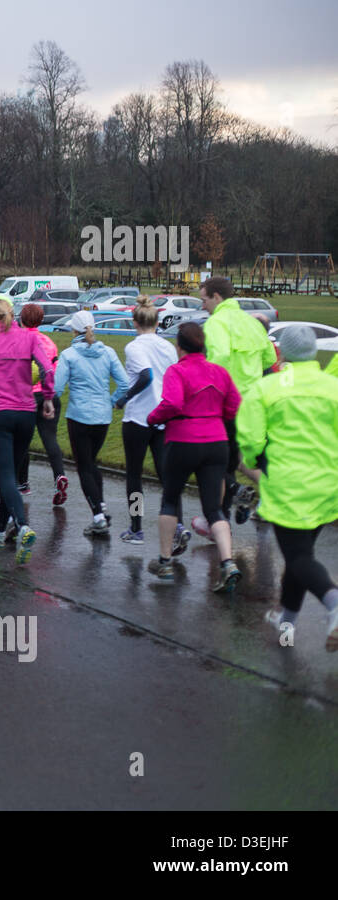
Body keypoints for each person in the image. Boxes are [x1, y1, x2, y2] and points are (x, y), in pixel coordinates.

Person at [237, 325, 338, 649]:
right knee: (301, 555)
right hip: (328, 485)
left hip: (287, 485)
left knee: (297, 556)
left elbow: (250, 439)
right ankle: (287, 620)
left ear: (282, 351)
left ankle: (334, 604)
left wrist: (257, 459)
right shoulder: (333, 387)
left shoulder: (268, 388)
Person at [146, 322, 242, 588]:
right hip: (216, 441)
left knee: (170, 499)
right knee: (213, 509)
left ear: (179, 347)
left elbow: (173, 403)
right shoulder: (220, 372)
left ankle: (165, 563)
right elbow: (234, 405)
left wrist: (153, 418)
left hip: (183, 440)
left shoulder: (177, 371)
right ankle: (227, 562)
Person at [0, 298, 56, 564]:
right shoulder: (29, 340)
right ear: (11, 314)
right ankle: (0, 528)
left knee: (5, 473)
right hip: (25, 412)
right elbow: (47, 368)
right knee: (12, 474)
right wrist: (49, 396)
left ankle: (22, 525)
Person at [200, 276, 276, 526]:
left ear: (216, 297)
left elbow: (219, 357)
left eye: (204, 299)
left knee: (216, 460)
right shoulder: (252, 323)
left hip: (226, 402)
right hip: (253, 404)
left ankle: (221, 516)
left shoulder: (216, 323)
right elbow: (267, 359)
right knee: (234, 460)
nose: (203, 305)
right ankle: (229, 510)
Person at [112, 296, 185, 547]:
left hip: (138, 418)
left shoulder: (134, 347)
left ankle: (136, 528)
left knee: (134, 475)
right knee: (167, 474)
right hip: (164, 416)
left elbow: (145, 376)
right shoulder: (167, 346)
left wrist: (124, 398)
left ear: (135, 322)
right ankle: (179, 524)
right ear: (157, 322)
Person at [52, 310, 128, 537]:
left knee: (84, 466)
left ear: (74, 330)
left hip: (79, 416)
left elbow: (57, 389)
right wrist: (112, 401)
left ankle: (97, 516)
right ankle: (101, 506)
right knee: (91, 462)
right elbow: (124, 384)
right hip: (103, 416)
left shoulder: (69, 355)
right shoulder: (109, 352)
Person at [13, 304, 69, 505]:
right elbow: (52, 369)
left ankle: (23, 483)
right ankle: (59, 476)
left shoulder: (17, 339)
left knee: (22, 442)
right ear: (41, 320)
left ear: (21, 319)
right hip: (47, 395)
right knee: (50, 439)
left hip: (25, 396)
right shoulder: (48, 341)